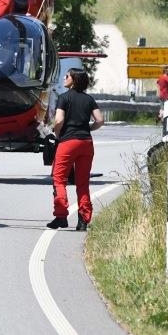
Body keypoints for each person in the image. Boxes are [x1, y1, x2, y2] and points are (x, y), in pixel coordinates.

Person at [49, 68, 104, 232]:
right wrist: (87, 129)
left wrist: (57, 133)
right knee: (82, 183)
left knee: (59, 179)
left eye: (67, 76)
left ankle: (60, 216)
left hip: (68, 142)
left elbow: (59, 120)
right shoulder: (89, 99)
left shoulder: (64, 98)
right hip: (86, 143)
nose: (64, 78)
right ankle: (83, 221)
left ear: (73, 79)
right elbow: (100, 120)